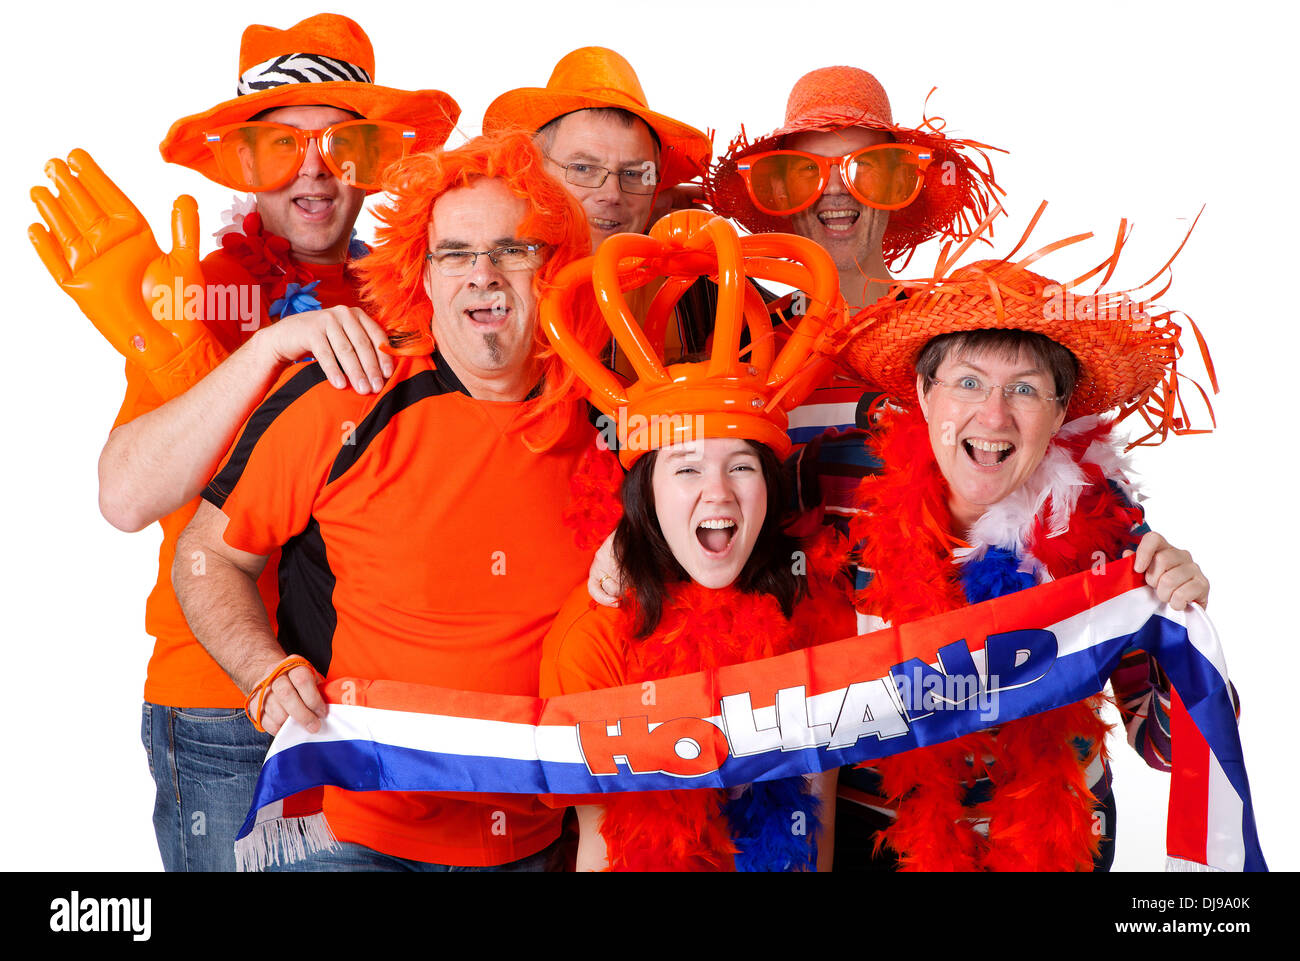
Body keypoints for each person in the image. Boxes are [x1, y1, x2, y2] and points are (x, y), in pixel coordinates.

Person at [25, 12, 457, 870]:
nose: (314, 174)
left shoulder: (419, 293)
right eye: (280, 148)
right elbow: (124, 494)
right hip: (220, 704)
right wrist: (258, 348)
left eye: (343, 149)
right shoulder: (201, 290)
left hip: (371, 698)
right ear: (244, 165)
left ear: (374, 166)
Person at [173, 131, 607, 871]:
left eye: (513, 250)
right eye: (456, 253)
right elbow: (207, 553)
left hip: (535, 841)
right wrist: (262, 670)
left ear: (553, 270)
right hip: (352, 836)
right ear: (423, 275)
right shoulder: (344, 395)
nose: (484, 275)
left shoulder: (608, 419)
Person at [828, 215, 1217, 870]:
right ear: (924, 394)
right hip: (876, 844)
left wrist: (1187, 629)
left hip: (1052, 844)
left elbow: (1172, 749)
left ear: (1063, 411)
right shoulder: (844, 504)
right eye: (969, 382)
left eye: (1025, 390)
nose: (994, 416)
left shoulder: (1105, 531)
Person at [537, 211, 848, 871]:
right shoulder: (589, 645)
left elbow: (812, 823)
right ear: (644, 496)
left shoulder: (815, 613)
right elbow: (602, 843)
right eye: (686, 468)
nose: (719, 493)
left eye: (741, 465)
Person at [483, 47, 715, 366]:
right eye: (582, 169)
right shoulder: (476, 272)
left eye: (633, 173)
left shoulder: (696, 284)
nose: (611, 194)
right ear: (532, 171)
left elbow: (797, 323)